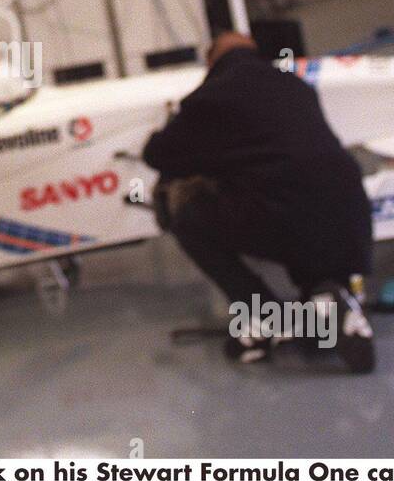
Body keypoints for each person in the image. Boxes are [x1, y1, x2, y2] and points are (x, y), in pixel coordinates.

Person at [143, 32, 375, 372]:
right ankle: (329, 301)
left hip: (287, 218)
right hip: (351, 220)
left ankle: (265, 315)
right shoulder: (297, 87)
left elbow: (158, 155)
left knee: (185, 214)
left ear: (211, 62)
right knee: (299, 204)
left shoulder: (211, 97)